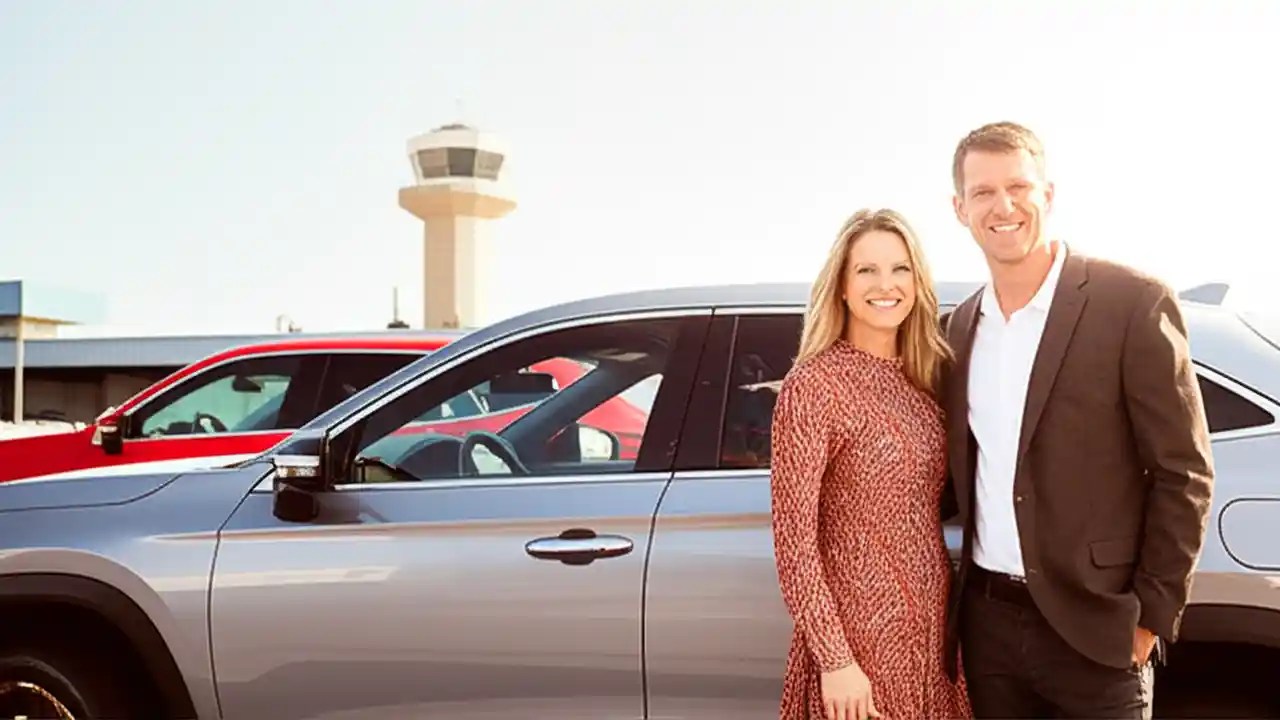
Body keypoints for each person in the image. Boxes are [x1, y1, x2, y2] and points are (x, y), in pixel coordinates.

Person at [939, 121, 1215, 719]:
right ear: (959, 209)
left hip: (1099, 629)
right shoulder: (959, 329)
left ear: (1049, 194)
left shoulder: (1129, 302)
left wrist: (1149, 617)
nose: (1003, 206)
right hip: (988, 626)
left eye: (1018, 186)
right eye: (983, 192)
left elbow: (1184, 472)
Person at [770, 208, 972, 720]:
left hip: (932, 633)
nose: (887, 285)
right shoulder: (814, 386)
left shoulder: (924, 383)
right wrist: (836, 660)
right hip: (858, 640)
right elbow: (795, 543)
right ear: (841, 285)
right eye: (867, 270)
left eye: (900, 269)